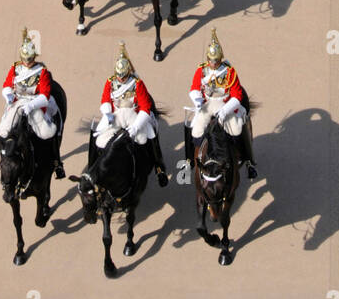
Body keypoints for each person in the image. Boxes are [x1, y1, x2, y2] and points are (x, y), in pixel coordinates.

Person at [0, 28, 65, 180]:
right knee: (2, 128)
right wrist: (8, 94)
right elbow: (7, 84)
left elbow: (45, 95)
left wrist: (31, 106)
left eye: (30, 59)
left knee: (48, 132)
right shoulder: (15, 68)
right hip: (17, 102)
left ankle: (56, 163)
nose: (28, 63)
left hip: (34, 105)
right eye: (25, 59)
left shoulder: (42, 71)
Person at [90, 42, 168, 185]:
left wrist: (136, 126)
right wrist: (107, 112)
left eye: (123, 76)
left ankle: (158, 167)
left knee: (150, 134)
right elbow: (105, 99)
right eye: (119, 76)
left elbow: (145, 107)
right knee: (97, 135)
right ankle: (91, 169)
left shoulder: (137, 83)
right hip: (116, 115)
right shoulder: (110, 82)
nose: (121, 79)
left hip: (134, 115)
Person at [185, 28, 258, 180]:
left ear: (220, 59)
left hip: (224, 104)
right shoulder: (202, 70)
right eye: (211, 60)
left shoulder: (229, 71)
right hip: (207, 104)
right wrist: (198, 100)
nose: (213, 64)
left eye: (216, 61)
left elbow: (237, 94)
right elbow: (194, 88)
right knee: (194, 129)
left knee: (237, 128)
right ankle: (189, 161)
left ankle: (248, 160)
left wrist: (225, 111)